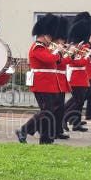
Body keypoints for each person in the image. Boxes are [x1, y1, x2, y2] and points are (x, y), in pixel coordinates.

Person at [15, 13, 60, 144]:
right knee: (47, 111)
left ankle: (46, 140)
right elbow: (49, 59)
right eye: (50, 36)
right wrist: (57, 51)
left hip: (48, 84)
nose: (51, 39)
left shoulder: (45, 48)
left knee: (49, 112)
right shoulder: (37, 47)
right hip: (41, 84)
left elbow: (54, 62)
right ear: (44, 35)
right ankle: (24, 130)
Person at [63, 15, 91, 132]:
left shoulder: (78, 46)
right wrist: (88, 57)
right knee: (77, 101)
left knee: (78, 102)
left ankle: (75, 122)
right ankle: (63, 117)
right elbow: (78, 62)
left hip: (81, 77)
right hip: (75, 77)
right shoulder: (73, 48)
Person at [52, 17, 71, 140]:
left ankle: (58, 130)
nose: (63, 42)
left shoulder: (59, 47)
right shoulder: (52, 48)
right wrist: (66, 54)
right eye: (62, 40)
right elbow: (59, 62)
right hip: (54, 78)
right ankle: (51, 130)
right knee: (54, 108)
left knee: (60, 108)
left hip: (61, 79)